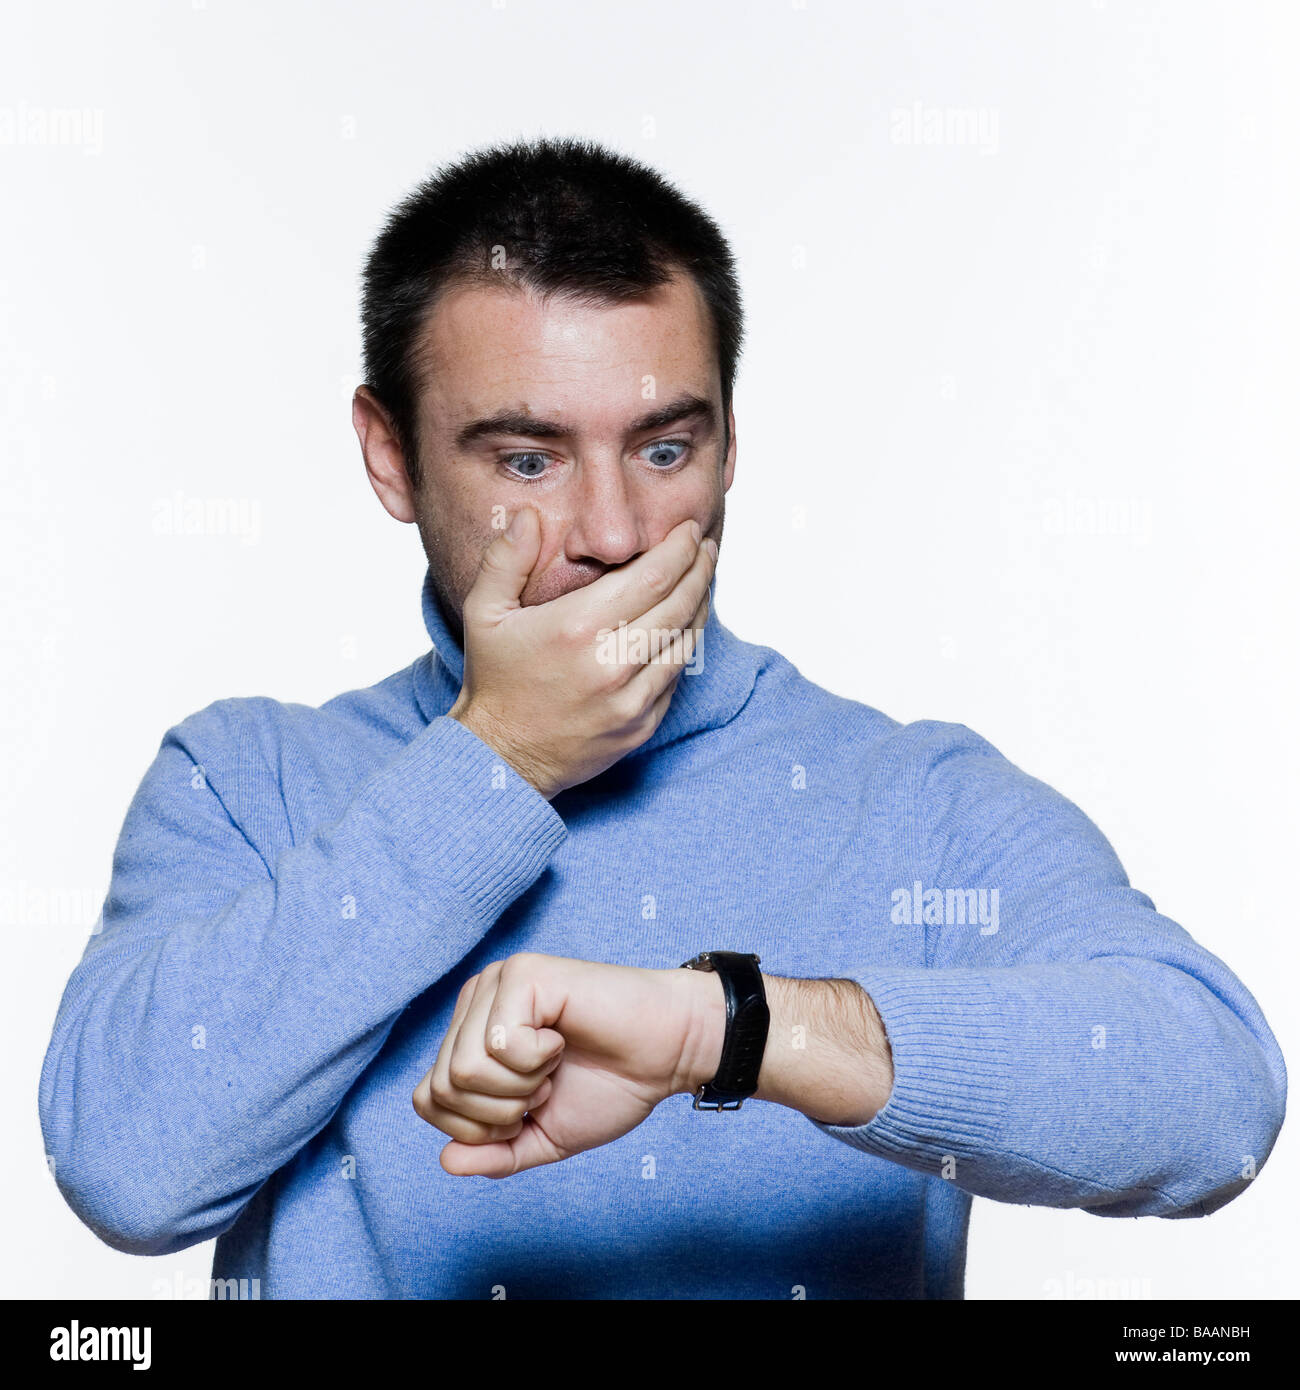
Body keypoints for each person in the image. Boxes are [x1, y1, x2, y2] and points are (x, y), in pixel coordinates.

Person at [39, 135, 1286, 1300]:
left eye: (663, 447)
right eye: (526, 460)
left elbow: (1213, 1097)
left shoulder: (911, 799)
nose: (615, 534)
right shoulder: (248, 783)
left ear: (731, 441)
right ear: (390, 457)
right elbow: (127, 1169)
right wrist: (500, 759)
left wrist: (729, 1027)